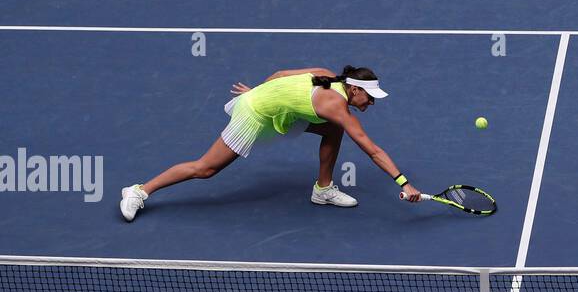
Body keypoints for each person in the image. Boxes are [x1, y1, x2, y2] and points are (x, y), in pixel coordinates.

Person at [119, 65, 421, 221]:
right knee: (206, 169)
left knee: (332, 131)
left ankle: (323, 189)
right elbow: (372, 149)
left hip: (278, 110)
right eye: (369, 97)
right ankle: (139, 191)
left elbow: (280, 75)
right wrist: (404, 183)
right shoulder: (334, 106)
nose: (372, 103)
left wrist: (262, 91)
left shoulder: (327, 75)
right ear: (354, 90)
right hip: (256, 114)